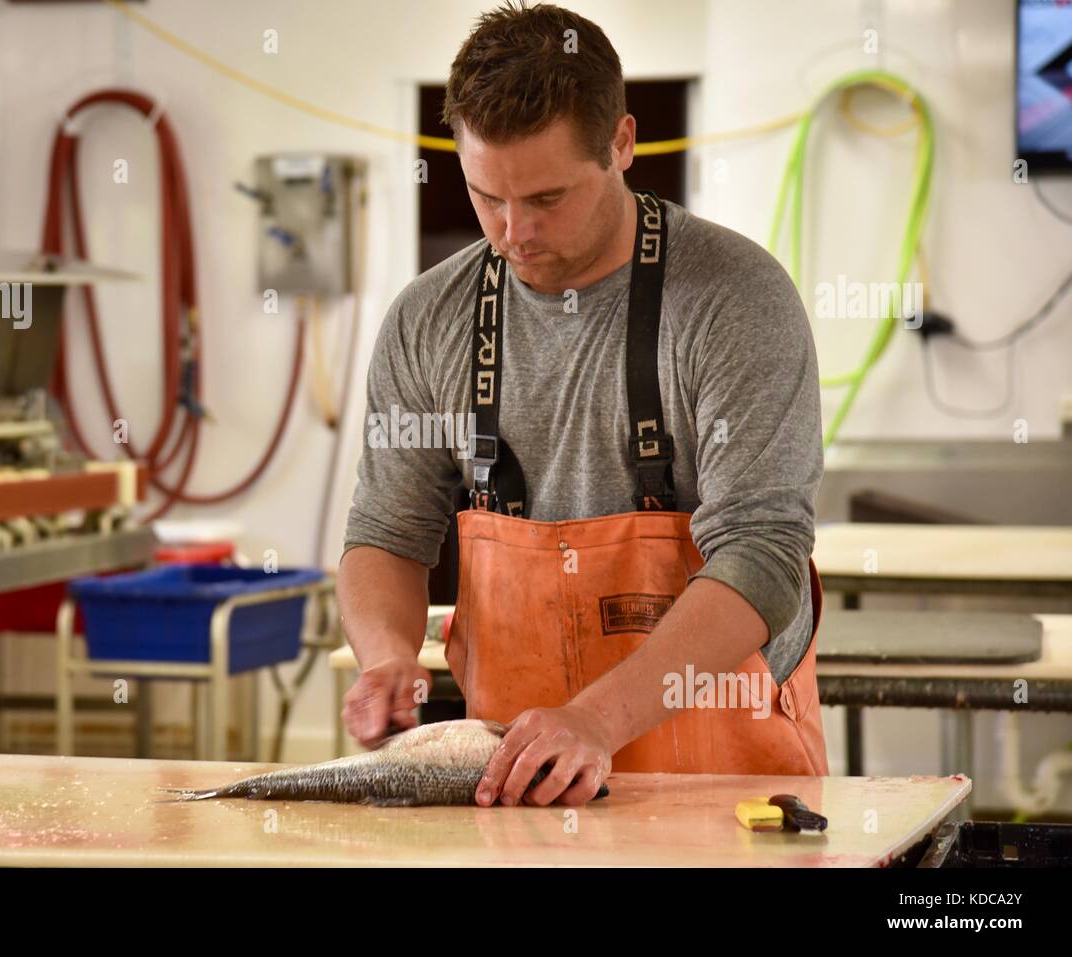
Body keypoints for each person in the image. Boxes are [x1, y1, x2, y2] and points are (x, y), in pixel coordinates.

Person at [338, 1, 827, 807]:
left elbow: (763, 558)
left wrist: (597, 718)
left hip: (723, 784)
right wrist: (387, 653)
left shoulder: (736, 302)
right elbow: (385, 533)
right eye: (485, 195)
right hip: (520, 788)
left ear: (623, 143)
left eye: (546, 198)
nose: (511, 232)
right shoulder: (427, 320)